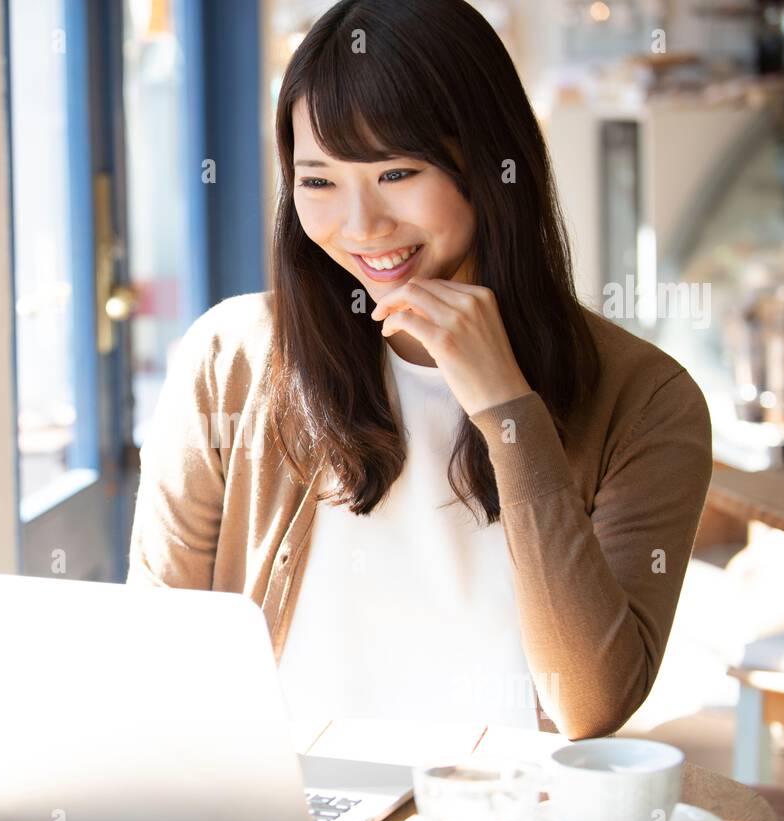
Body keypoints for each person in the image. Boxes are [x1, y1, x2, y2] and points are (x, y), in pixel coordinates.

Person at [126, 0, 713, 740]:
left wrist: (508, 408)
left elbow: (591, 703)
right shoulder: (229, 361)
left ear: (491, 163)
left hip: (500, 820)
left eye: (397, 171)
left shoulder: (648, 402)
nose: (361, 224)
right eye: (319, 181)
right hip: (284, 814)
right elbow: (156, 652)